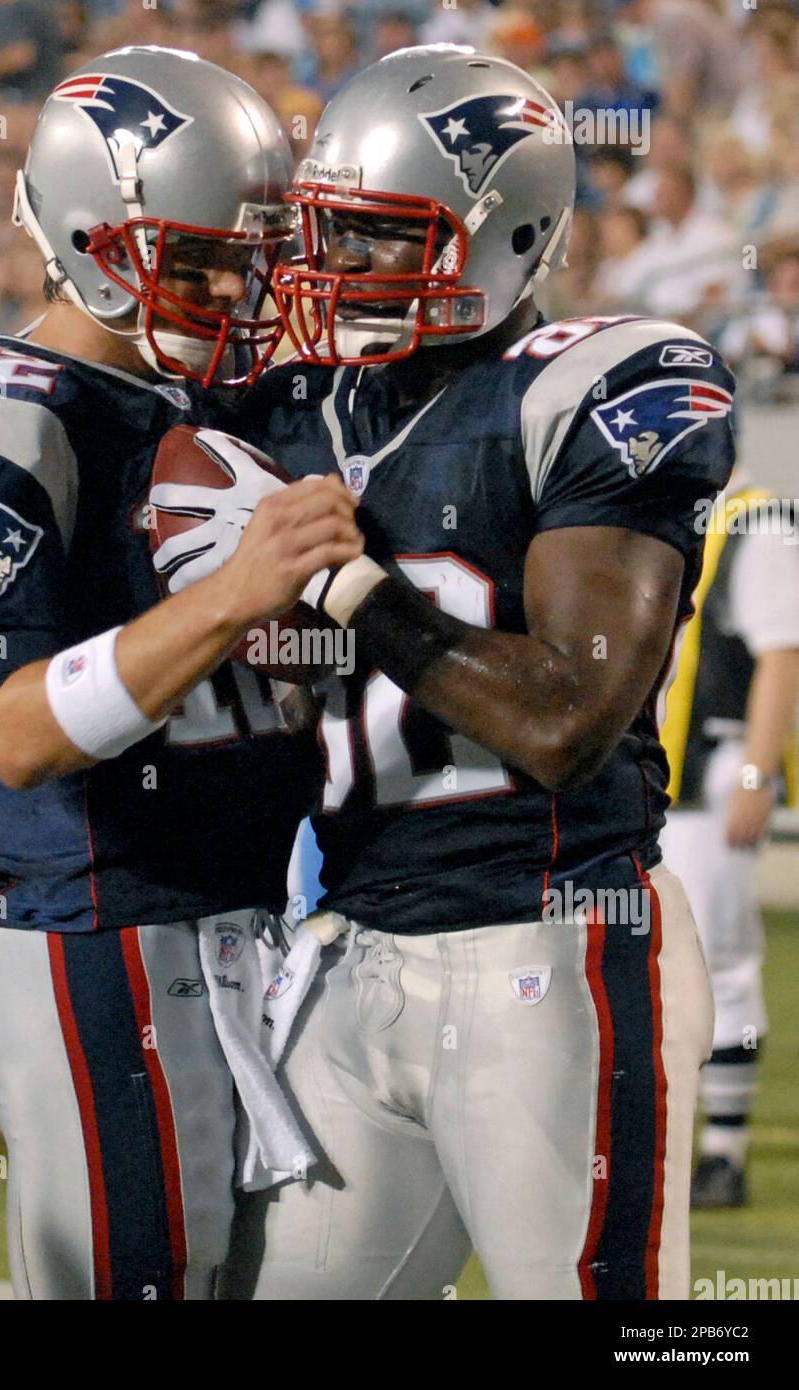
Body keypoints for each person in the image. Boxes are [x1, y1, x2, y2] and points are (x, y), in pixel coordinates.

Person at [156, 47, 735, 1300]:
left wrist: (354, 593)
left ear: (503, 234)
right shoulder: (298, 406)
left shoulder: (598, 388)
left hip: (553, 936)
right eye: (323, 235)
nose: (332, 272)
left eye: (374, 238)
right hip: (359, 932)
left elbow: (567, 719)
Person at [0, 47, 363, 1302]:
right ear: (90, 235)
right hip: (104, 934)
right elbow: (20, 735)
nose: (232, 288)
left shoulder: (220, 402)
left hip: (250, 923)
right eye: (193, 255)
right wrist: (240, 593)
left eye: (247, 254)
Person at [660, 479, 799, 1208]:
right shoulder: (658, 505)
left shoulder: (758, 518)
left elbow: (783, 654)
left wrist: (756, 770)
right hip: (662, 777)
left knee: (719, 957)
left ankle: (723, 1151)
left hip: (712, 768)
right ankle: (679, 1142)